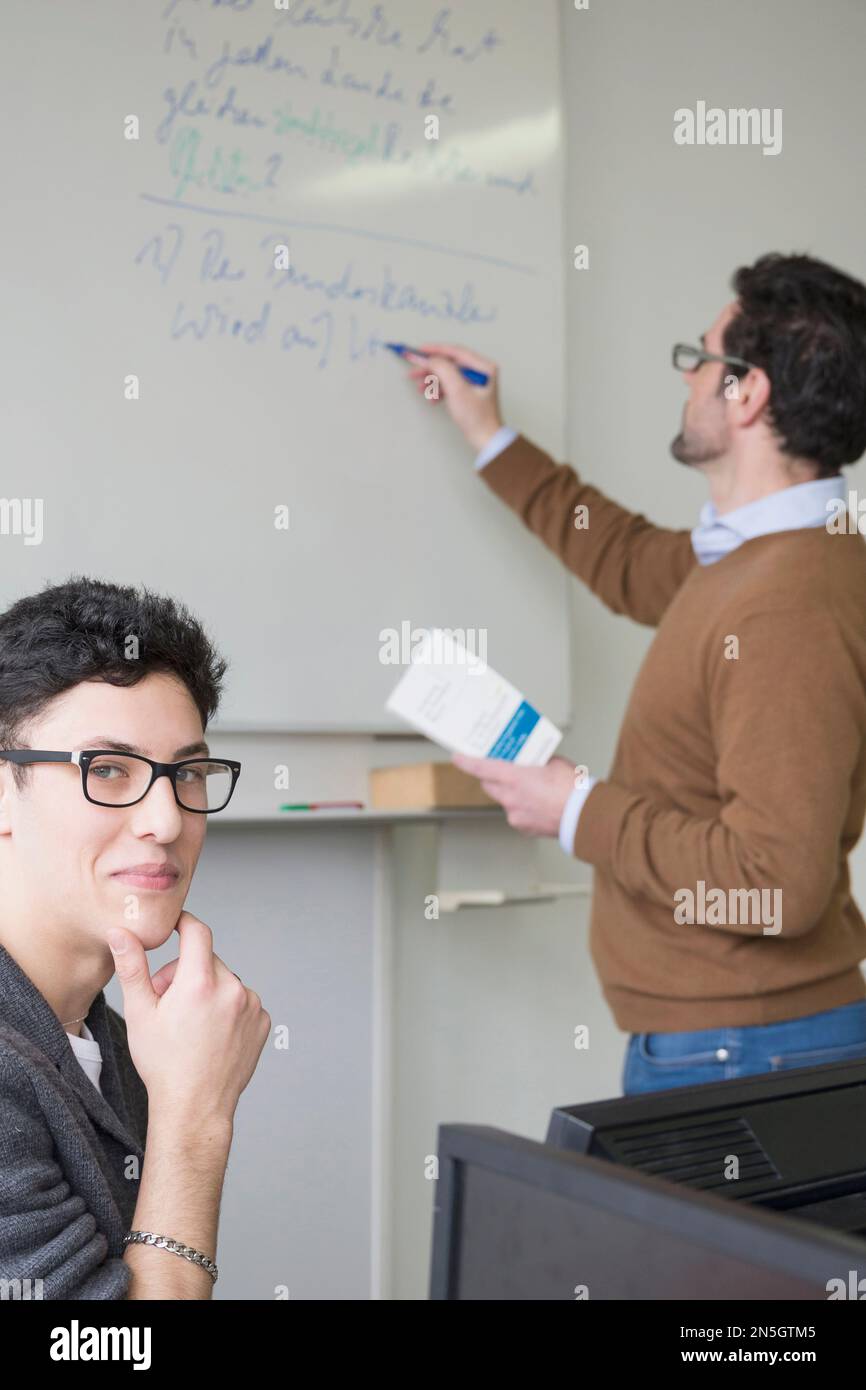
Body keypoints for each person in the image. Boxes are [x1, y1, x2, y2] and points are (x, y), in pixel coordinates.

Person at [401, 252, 866, 1095]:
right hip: (739, 1039)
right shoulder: (757, 562)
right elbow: (619, 555)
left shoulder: (786, 604)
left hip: (748, 1048)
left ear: (748, 392)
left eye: (701, 359)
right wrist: (487, 433)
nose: (688, 381)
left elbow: (777, 888)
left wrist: (577, 806)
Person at [0, 576, 269, 1298]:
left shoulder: (112, 1033)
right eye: (108, 769)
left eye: (187, 773)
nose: (167, 819)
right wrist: (195, 1119)